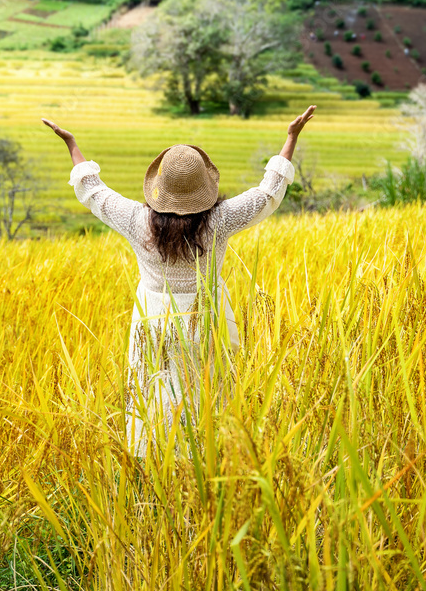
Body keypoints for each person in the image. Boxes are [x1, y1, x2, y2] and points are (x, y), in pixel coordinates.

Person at [42, 104, 316, 452]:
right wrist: (291, 138)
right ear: (203, 187)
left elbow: (95, 193)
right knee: (208, 389)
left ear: (160, 187)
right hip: (206, 316)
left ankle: (151, 455)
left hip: (153, 319)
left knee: (153, 387)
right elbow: (268, 193)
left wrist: (71, 144)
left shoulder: (136, 219)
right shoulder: (222, 220)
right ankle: (206, 458)